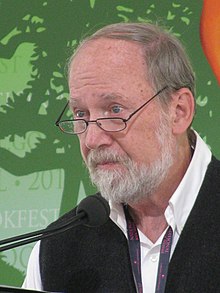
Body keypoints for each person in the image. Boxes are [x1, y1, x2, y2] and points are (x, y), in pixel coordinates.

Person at [22, 22, 220, 293]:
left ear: (179, 111)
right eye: (81, 114)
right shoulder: (57, 249)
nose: (92, 139)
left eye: (114, 110)